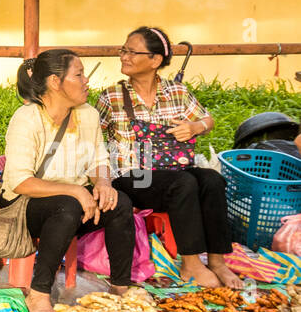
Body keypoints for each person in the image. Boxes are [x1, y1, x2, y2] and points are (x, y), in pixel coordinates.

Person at [96, 25, 239, 289]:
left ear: (155, 60)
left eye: (131, 52)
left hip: (173, 169)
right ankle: (192, 263)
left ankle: (218, 260)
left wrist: (196, 127)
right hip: (132, 176)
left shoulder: (177, 92)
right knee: (183, 184)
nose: (123, 56)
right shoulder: (112, 97)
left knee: (211, 179)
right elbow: (91, 139)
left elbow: (207, 119)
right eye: (123, 50)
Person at [2, 49, 134, 312]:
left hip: (74, 208)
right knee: (68, 205)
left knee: (119, 202)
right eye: (78, 74)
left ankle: (121, 287)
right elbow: (20, 182)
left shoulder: (87, 115)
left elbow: (99, 160)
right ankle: (38, 292)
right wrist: (75, 190)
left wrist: (103, 182)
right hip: (27, 210)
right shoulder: (27, 119)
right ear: (54, 82)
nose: (86, 80)